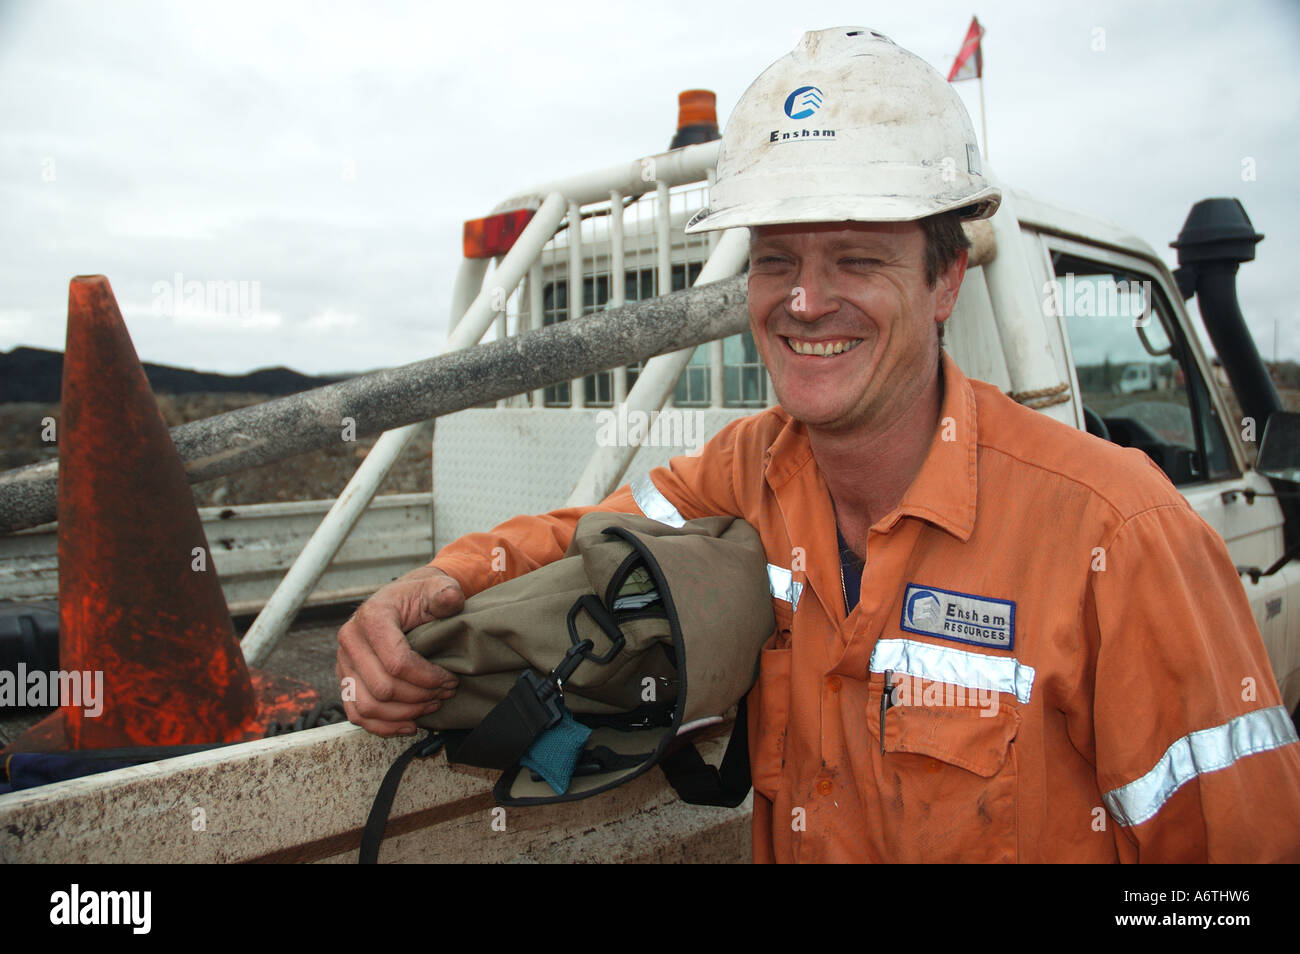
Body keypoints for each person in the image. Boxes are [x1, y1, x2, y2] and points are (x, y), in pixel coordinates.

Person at [337, 27, 1300, 862]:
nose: (803, 302)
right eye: (776, 261)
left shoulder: (1118, 536)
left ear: (945, 279)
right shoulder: (753, 472)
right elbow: (585, 531)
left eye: (857, 258)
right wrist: (435, 585)